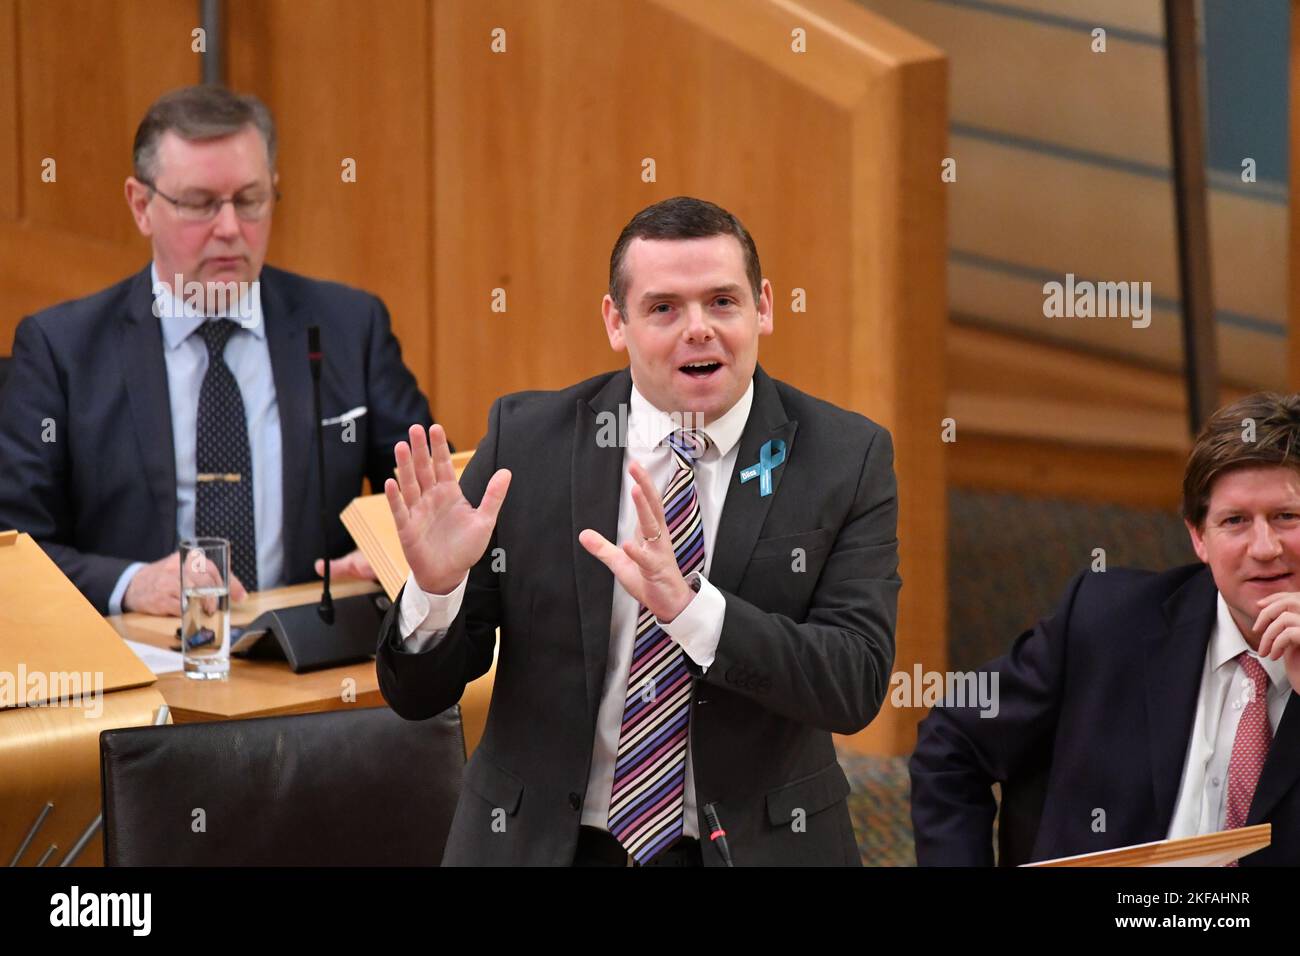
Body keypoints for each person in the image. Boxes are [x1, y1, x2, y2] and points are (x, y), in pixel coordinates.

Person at [376, 196, 900, 866]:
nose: (699, 330)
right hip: (546, 843)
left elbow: (852, 683)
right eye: (663, 309)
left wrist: (693, 612)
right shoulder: (528, 443)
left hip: (749, 844)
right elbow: (418, 698)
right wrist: (438, 592)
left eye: (722, 302)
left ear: (763, 307)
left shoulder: (843, 458)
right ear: (615, 322)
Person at [0, 85, 432, 615]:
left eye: (250, 201)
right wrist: (133, 584)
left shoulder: (348, 326)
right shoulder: (61, 351)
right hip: (145, 665)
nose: (230, 229)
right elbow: (14, 546)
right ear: (141, 206)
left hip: (310, 659)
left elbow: (431, 496)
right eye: (201, 204)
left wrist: (383, 554)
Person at [910, 392, 1300, 866]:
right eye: (1235, 521)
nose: (1264, 547)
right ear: (1199, 537)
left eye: (1286, 517)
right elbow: (952, 740)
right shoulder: (1109, 621)